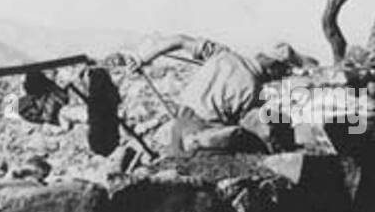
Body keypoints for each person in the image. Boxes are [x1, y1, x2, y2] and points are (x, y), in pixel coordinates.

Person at [130, 34, 312, 155]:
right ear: (273, 67)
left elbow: (179, 40)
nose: (280, 78)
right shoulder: (253, 90)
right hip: (202, 133)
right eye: (283, 72)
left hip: (177, 124)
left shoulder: (222, 53)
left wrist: (143, 58)